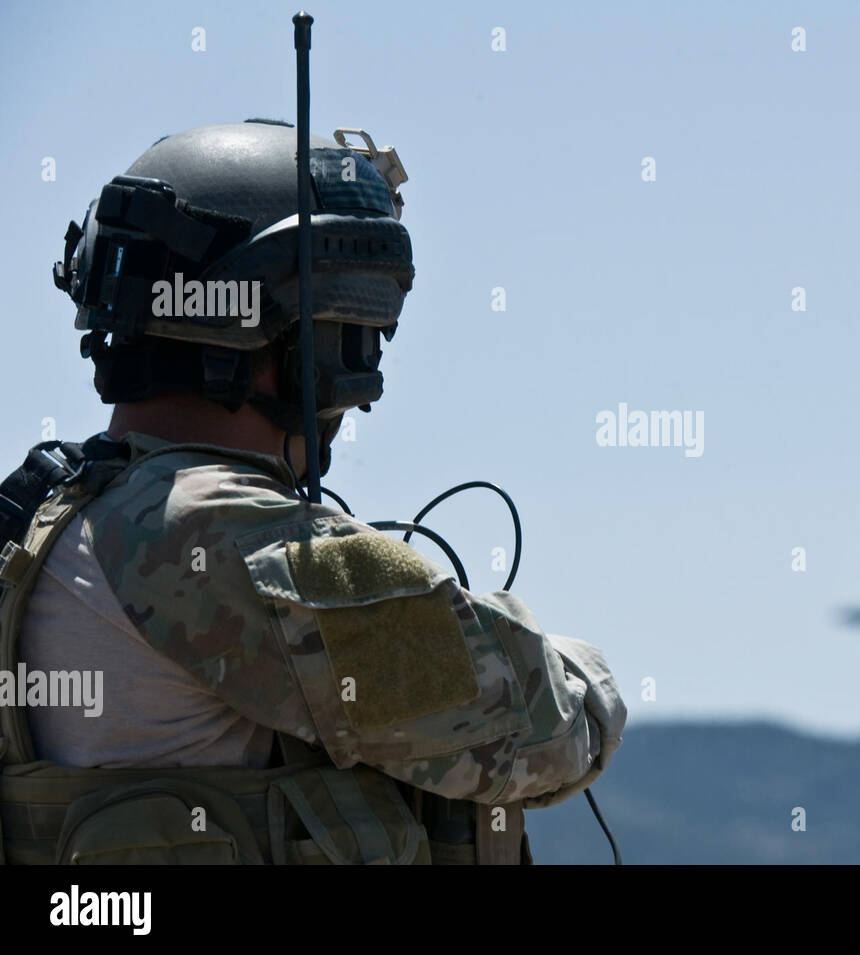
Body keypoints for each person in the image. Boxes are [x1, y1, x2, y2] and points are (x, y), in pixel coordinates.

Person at [0, 120, 625, 865]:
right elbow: (540, 727)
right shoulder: (221, 533)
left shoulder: (43, 524)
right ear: (293, 346)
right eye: (346, 328)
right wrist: (579, 664)